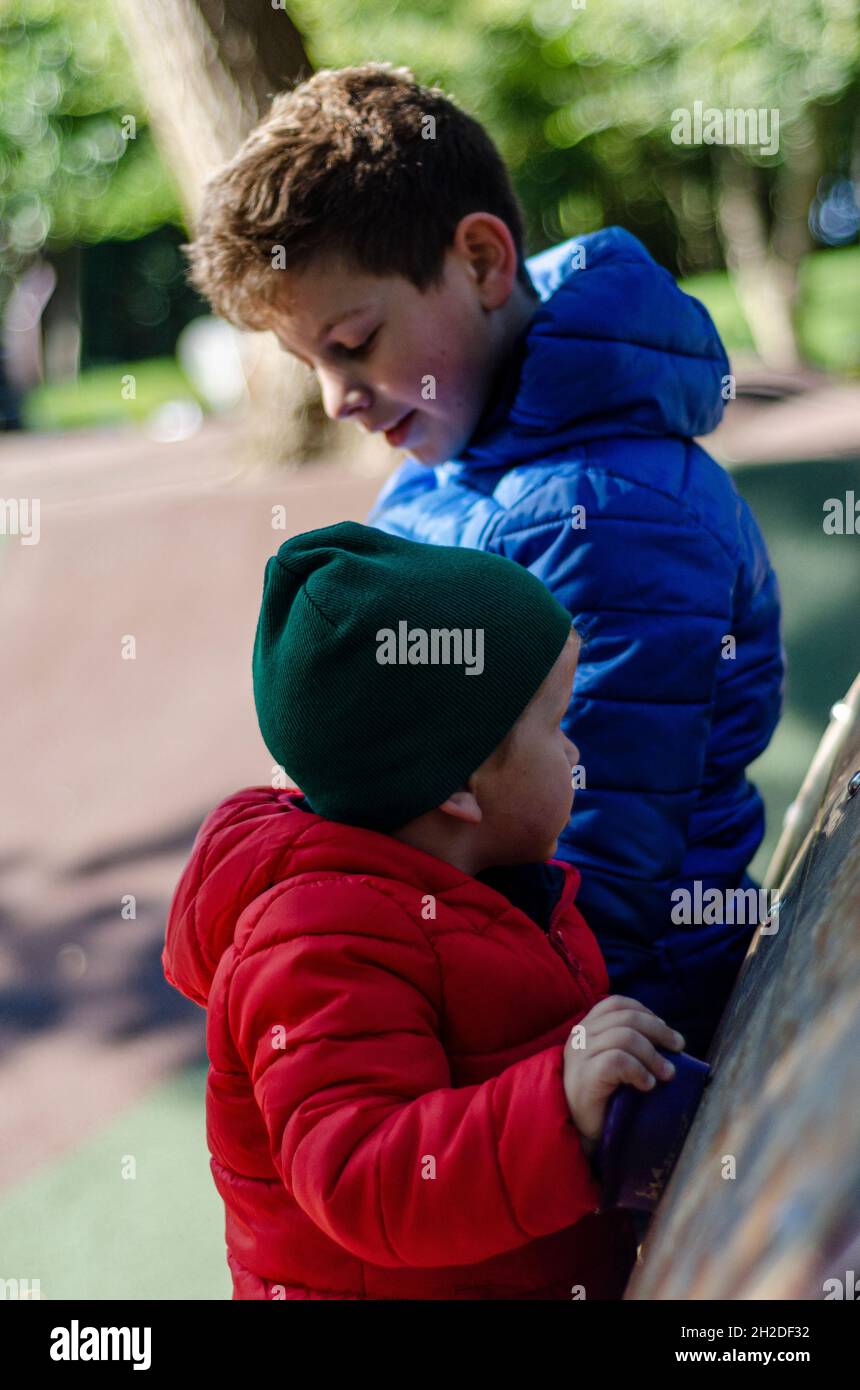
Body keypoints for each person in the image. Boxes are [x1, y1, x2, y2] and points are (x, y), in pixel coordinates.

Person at [182, 62, 784, 1060]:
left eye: (354, 342)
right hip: (479, 974)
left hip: (598, 1033)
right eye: (310, 366)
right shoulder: (447, 467)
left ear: (480, 260)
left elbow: (598, 875)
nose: (338, 399)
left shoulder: (611, 518)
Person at [163, 521, 685, 1300]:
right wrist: (560, 1108)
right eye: (555, 725)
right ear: (458, 790)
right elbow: (361, 1173)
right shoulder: (317, 939)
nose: (575, 754)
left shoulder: (484, 883)